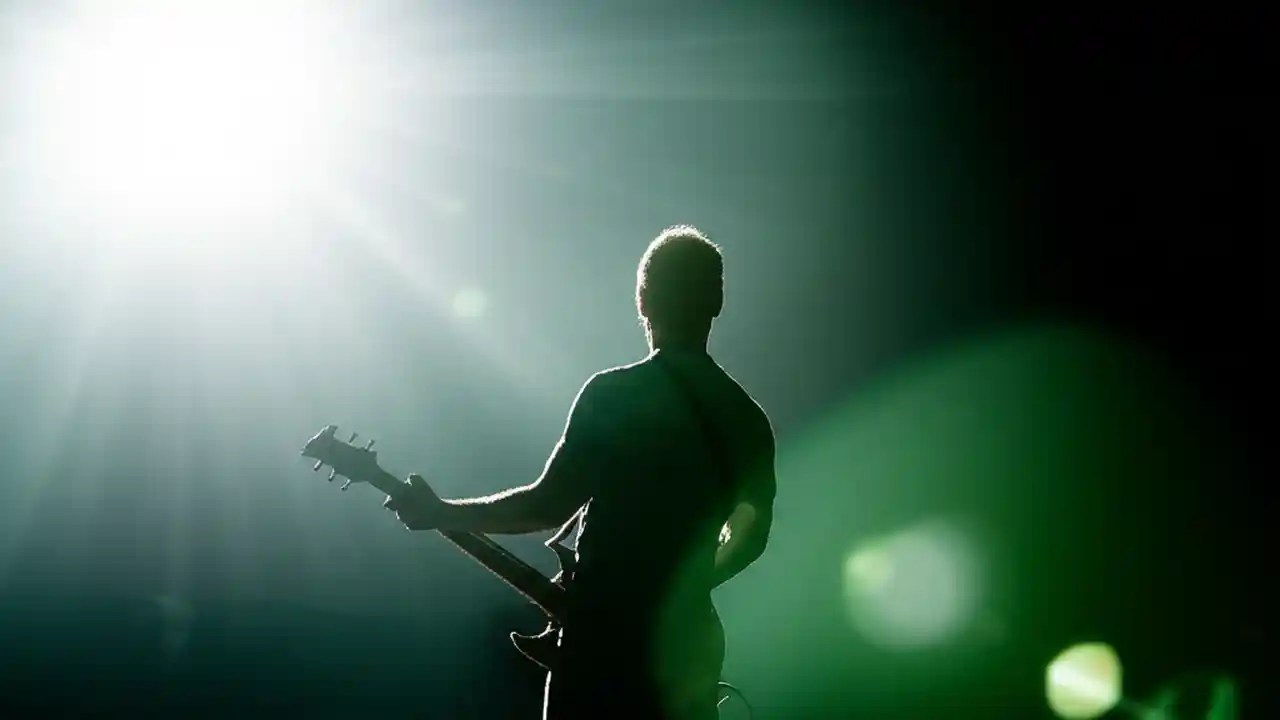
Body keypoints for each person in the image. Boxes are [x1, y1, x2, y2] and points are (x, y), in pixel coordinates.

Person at [385, 225, 776, 719]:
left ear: (643, 300)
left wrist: (442, 512)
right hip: (690, 644)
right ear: (716, 300)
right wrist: (688, 587)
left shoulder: (614, 396)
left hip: (599, 651)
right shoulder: (747, 419)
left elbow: (546, 505)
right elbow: (754, 535)